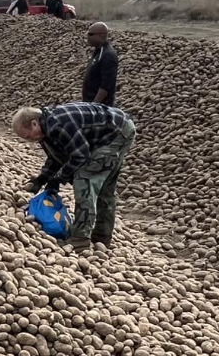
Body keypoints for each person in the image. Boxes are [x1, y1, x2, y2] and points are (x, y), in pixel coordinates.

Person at [13, 103, 136, 250]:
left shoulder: (58, 125)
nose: (29, 140)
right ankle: (102, 238)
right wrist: (42, 179)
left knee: (85, 179)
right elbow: (57, 156)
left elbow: (79, 155)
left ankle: (81, 238)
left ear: (34, 123)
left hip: (116, 133)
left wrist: (59, 178)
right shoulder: (46, 127)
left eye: (28, 136)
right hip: (113, 129)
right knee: (102, 186)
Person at [84, 22, 118, 107]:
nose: (87, 37)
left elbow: (106, 85)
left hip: (100, 108)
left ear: (102, 35)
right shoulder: (98, 51)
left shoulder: (108, 55)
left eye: (90, 34)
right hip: (90, 103)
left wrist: (94, 105)